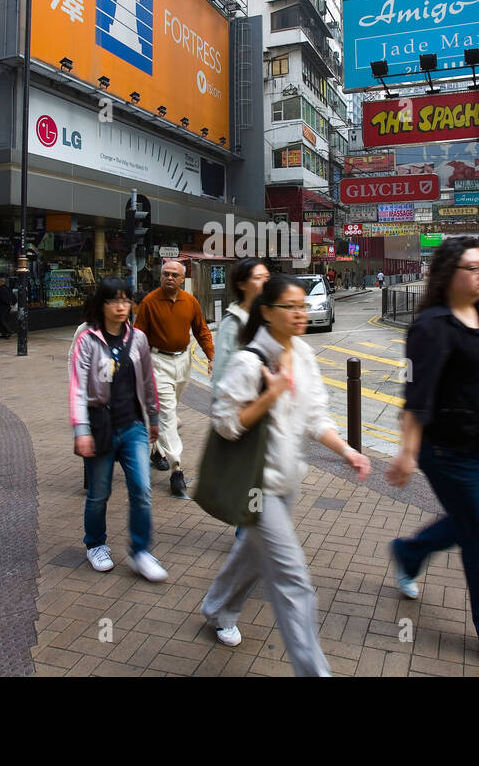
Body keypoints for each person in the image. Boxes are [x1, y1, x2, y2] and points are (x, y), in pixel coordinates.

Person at [204, 274, 370, 670]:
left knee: (251, 556)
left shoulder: (303, 354)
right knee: (294, 581)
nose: (302, 313)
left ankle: (217, 608)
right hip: (256, 485)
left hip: (287, 481)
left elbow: (315, 417)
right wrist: (271, 395)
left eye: (303, 306)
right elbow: (225, 422)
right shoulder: (249, 362)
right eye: (291, 307)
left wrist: (347, 450)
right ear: (267, 312)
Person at [385, 236, 479, 678]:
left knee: (469, 523)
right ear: (450, 274)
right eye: (472, 267)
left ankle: (408, 552)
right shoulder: (430, 326)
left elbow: (477, 371)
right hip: (445, 449)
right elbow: (417, 395)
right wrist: (408, 452)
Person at [68, 278, 167, 582]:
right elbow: (77, 388)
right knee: (99, 493)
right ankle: (95, 544)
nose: (122, 306)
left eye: (126, 300)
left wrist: (153, 419)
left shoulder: (137, 339)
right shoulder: (87, 339)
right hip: (99, 426)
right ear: (102, 304)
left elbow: (148, 381)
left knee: (142, 488)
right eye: (114, 300)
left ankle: (140, 551)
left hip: (133, 425)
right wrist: (81, 430)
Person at [134, 260, 214, 497]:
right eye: (165, 274)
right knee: (168, 412)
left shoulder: (190, 302)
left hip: (183, 362)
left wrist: (211, 356)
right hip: (157, 362)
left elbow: (201, 330)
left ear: (182, 279)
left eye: (174, 275)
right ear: (160, 277)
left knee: (170, 408)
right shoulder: (149, 302)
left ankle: (157, 450)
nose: (169, 278)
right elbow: (138, 335)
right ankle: (176, 467)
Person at [211, 258, 270, 399]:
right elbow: (220, 373)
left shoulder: (270, 315)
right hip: (243, 405)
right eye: (258, 278)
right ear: (242, 285)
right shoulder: (232, 323)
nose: (266, 282)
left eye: (267, 277)